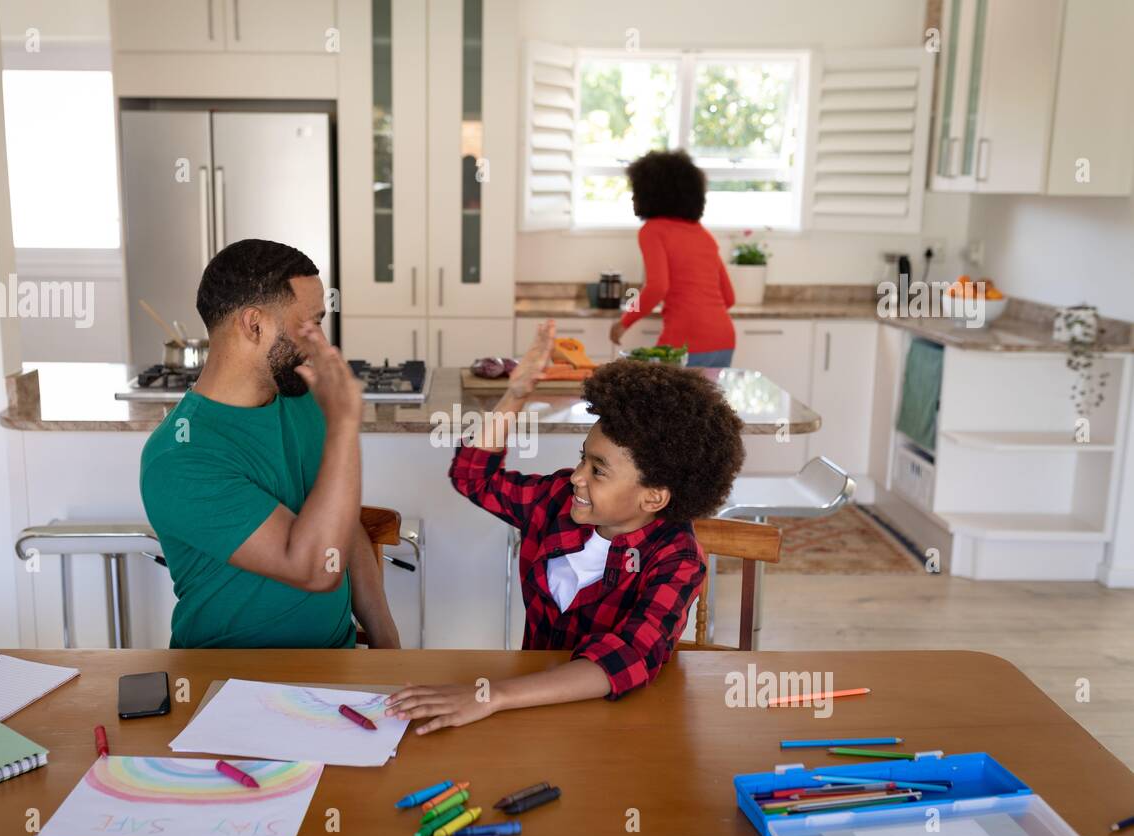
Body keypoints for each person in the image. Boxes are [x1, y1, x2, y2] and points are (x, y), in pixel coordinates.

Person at [384, 320, 745, 733]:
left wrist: (494, 695)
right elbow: (474, 477)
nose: (576, 476)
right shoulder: (556, 500)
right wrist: (515, 394)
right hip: (532, 711)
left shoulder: (677, 559)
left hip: (616, 725)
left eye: (598, 470)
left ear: (654, 497)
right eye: (582, 458)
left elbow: (629, 655)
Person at [140, 239, 400, 649]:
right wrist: (345, 426)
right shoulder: (180, 457)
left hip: (335, 665)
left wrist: (388, 648)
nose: (323, 344)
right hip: (226, 680)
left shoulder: (304, 400)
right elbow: (315, 568)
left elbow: (341, 527)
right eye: (310, 325)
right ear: (254, 325)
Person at [608, 149, 737, 368]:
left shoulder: (652, 231)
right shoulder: (702, 234)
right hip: (724, 340)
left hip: (684, 343)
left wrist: (624, 322)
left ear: (650, 193)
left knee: (662, 401)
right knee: (708, 402)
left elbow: (657, 287)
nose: (632, 196)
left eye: (635, 190)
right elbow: (729, 297)